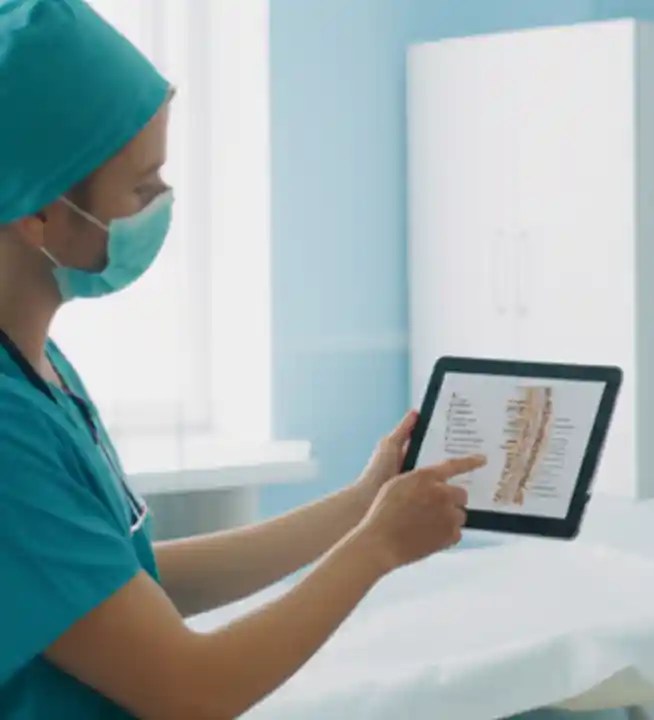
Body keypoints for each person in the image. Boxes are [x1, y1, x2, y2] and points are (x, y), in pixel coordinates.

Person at [0, 2, 485, 718]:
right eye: (140, 187)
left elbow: (132, 584)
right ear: (36, 212)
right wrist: (377, 548)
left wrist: (357, 508)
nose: (161, 203)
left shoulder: (42, 368)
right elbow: (190, 690)